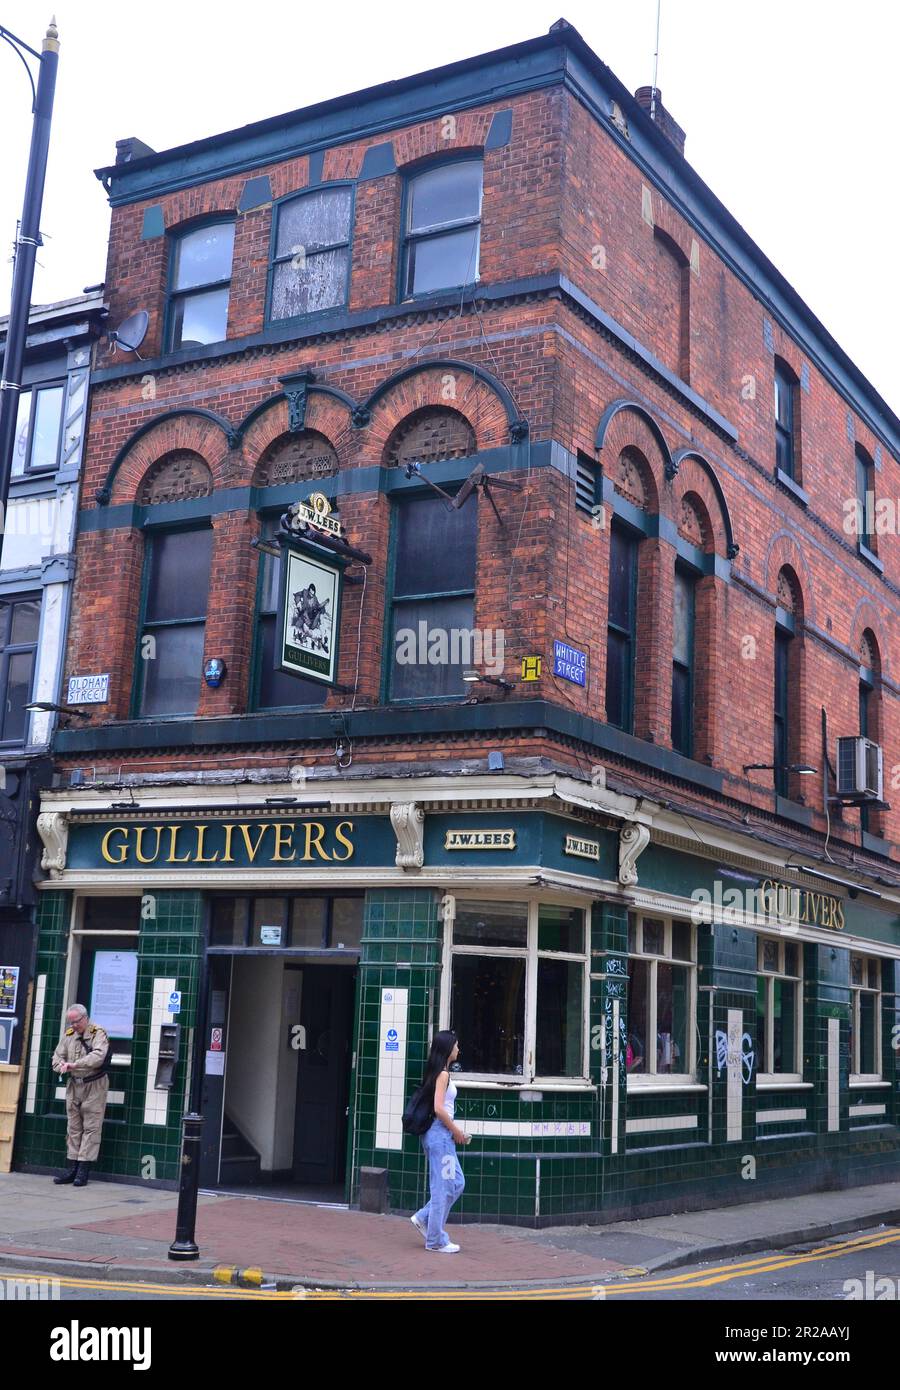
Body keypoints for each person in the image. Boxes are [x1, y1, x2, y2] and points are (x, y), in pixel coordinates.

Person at [410, 1030, 471, 1253]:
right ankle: (436, 1241)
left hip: (440, 1136)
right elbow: (438, 1109)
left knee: (456, 1182)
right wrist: (456, 1131)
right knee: (443, 1188)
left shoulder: (438, 1072)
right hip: (441, 1136)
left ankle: (423, 1217)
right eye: (456, 1045)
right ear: (447, 1049)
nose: (458, 1049)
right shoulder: (443, 1075)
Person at [50, 1004, 111, 1187]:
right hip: (74, 1085)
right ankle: (72, 1168)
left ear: (85, 1018)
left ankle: (83, 1170)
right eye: (71, 1022)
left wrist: (74, 1065)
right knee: (73, 1127)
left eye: (76, 1022)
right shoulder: (69, 1035)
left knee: (91, 1127)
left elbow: (98, 1056)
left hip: (94, 1085)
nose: (73, 1025)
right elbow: (56, 1057)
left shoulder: (98, 1032)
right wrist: (60, 1065)